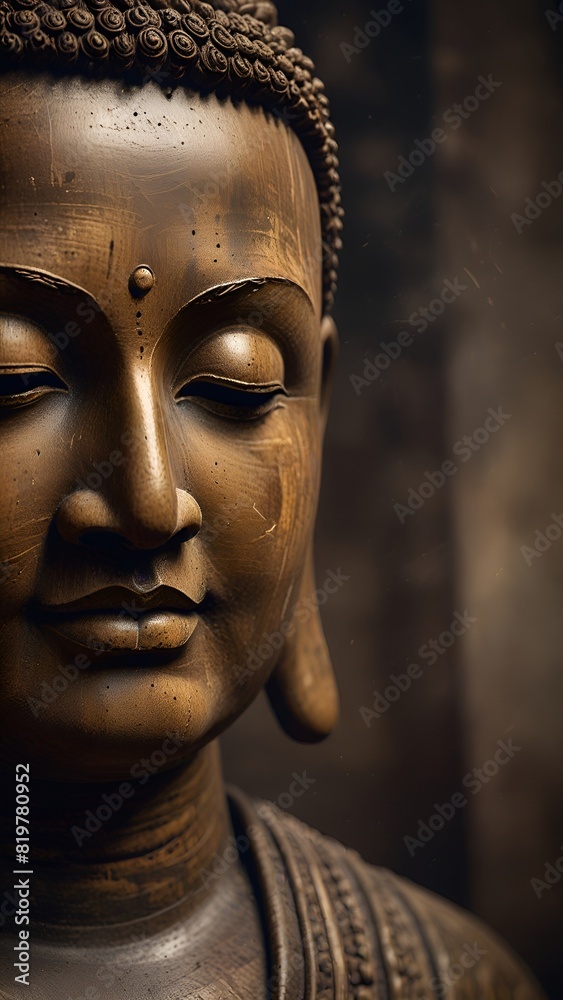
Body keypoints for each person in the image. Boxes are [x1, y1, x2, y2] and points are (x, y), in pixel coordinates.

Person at [0, 0, 546, 995]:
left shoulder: (445, 980)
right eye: (15, 378)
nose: (146, 501)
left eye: (236, 384)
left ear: (316, 416)